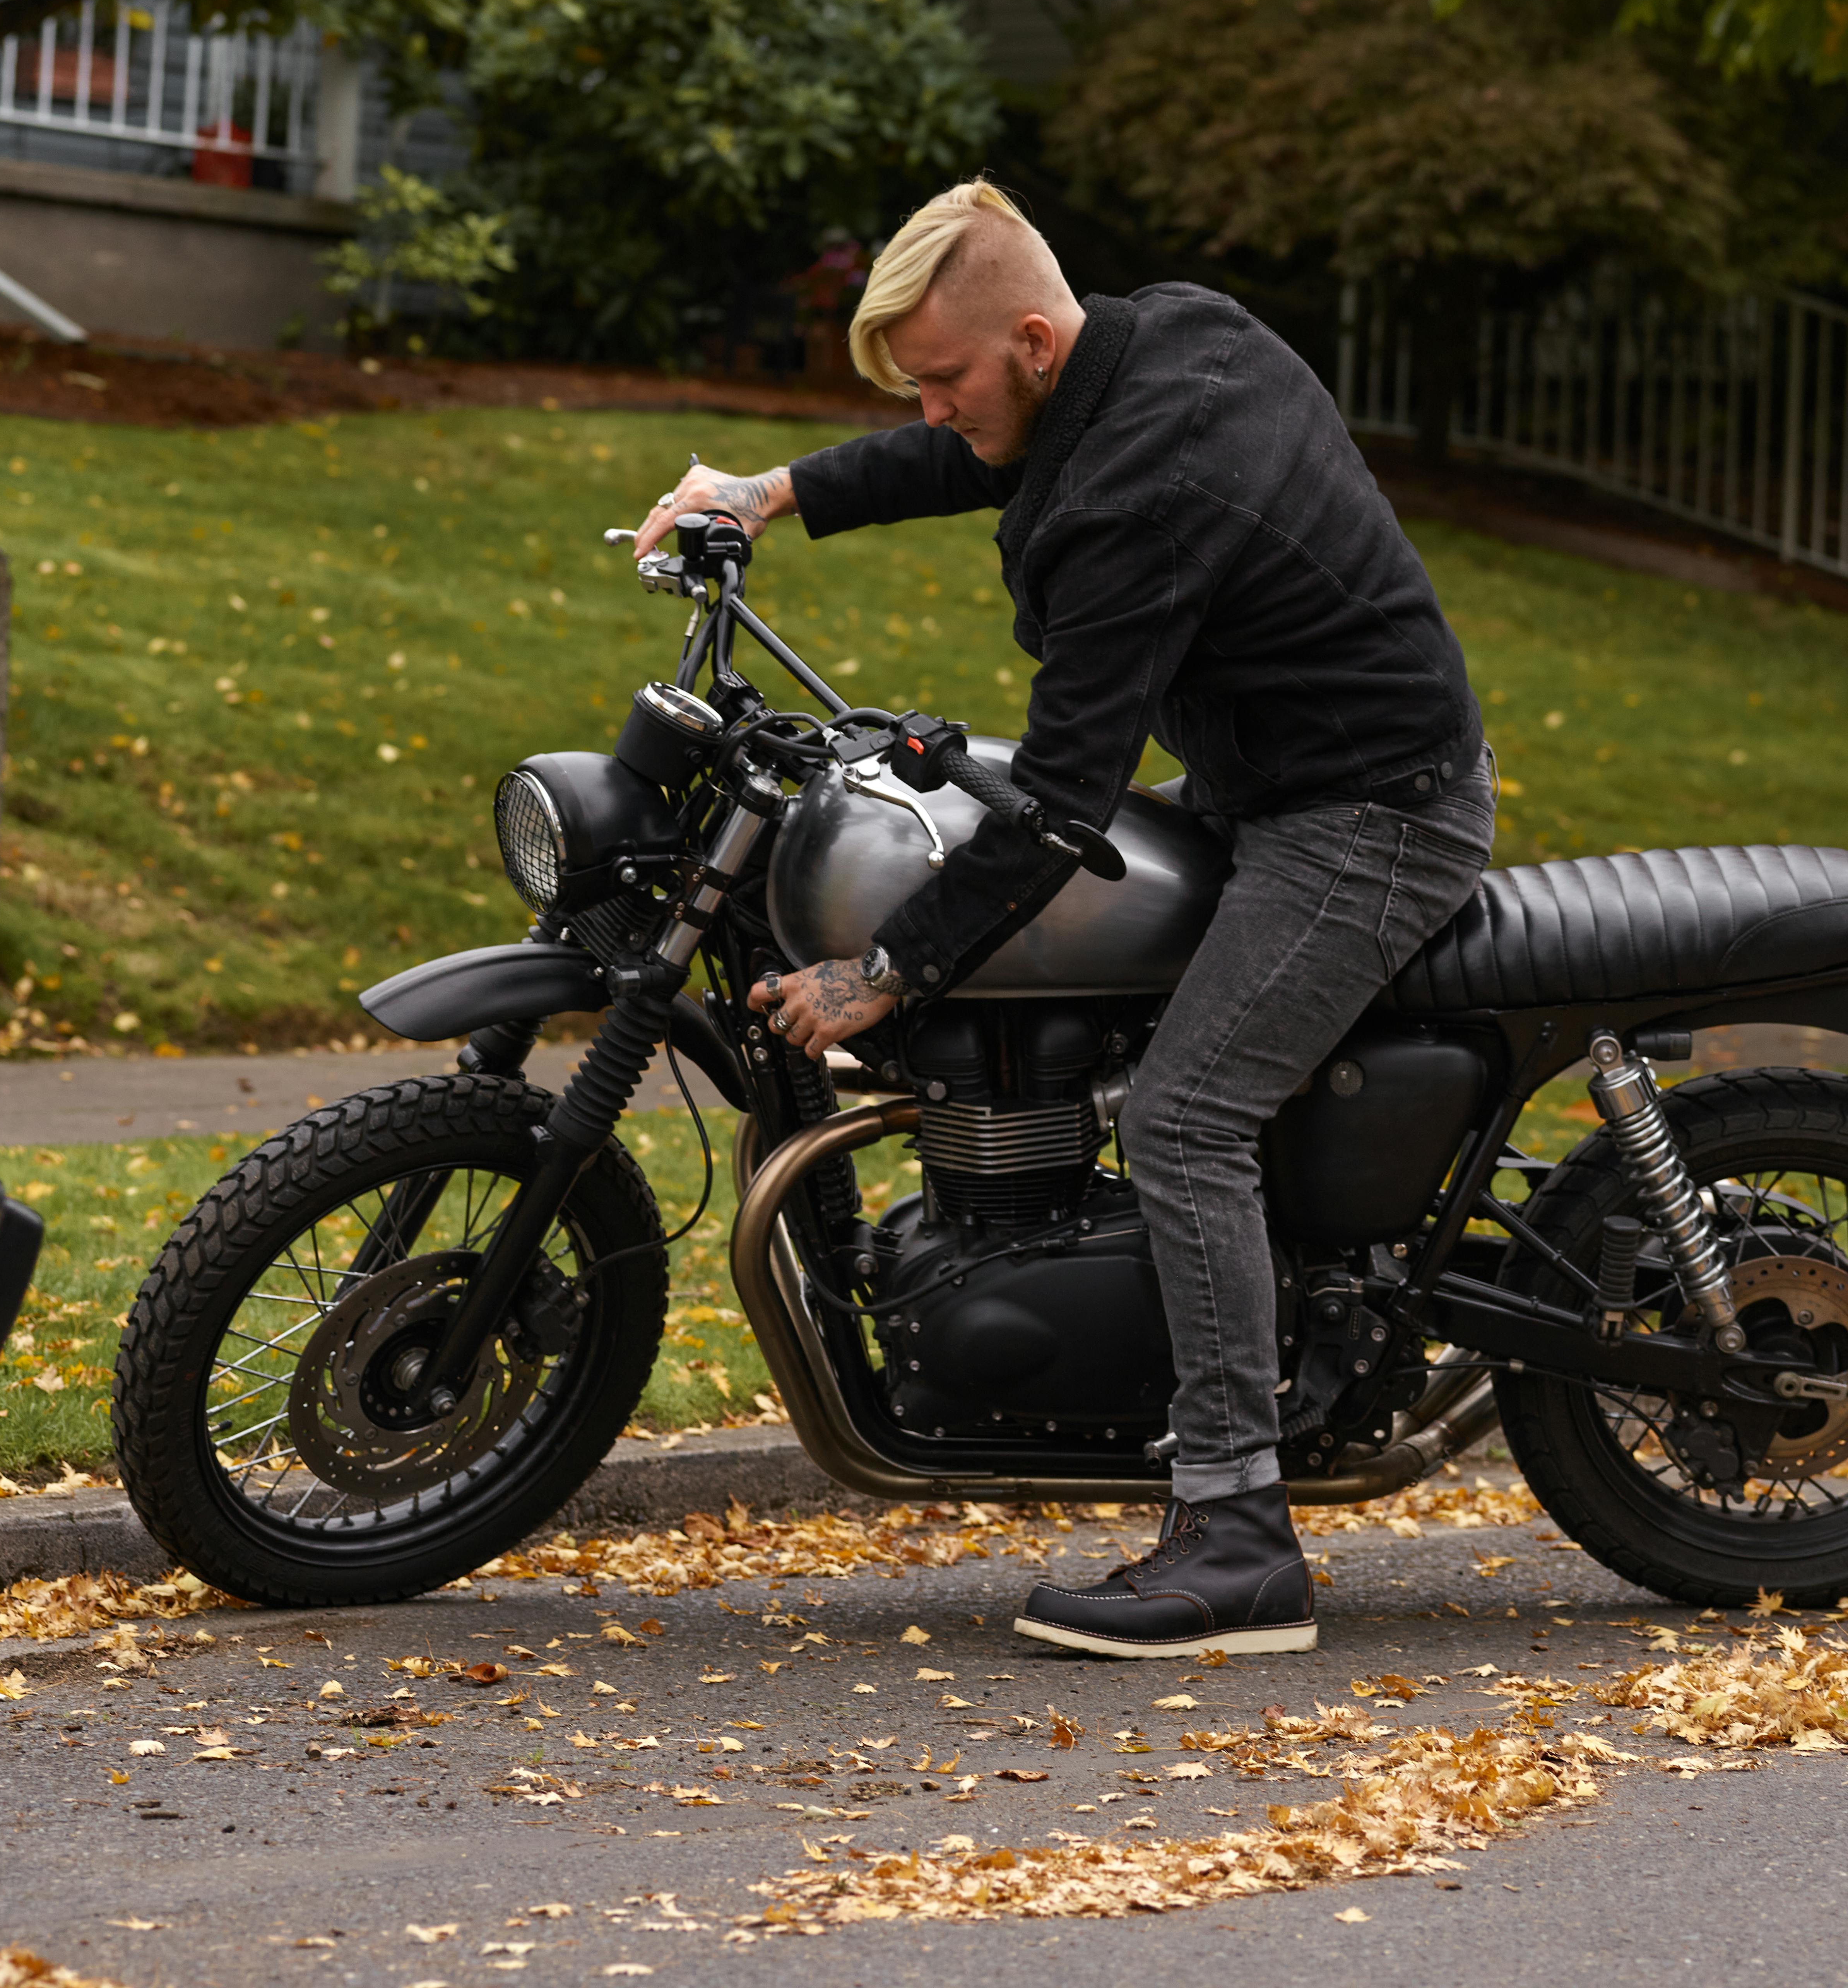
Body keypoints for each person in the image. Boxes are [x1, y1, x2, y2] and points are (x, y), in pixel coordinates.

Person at [628, 180, 1491, 1658]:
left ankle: (1238, 1537)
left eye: (949, 378)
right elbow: (977, 453)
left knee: (1183, 1117)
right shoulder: (1160, 343)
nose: (936, 408)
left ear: (1031, 341)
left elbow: (1063, 809)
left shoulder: (1140, 503)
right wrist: (772, 494)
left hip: (1369, 812)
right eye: (918, 387)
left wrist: (886, 970)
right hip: (1265, 777)